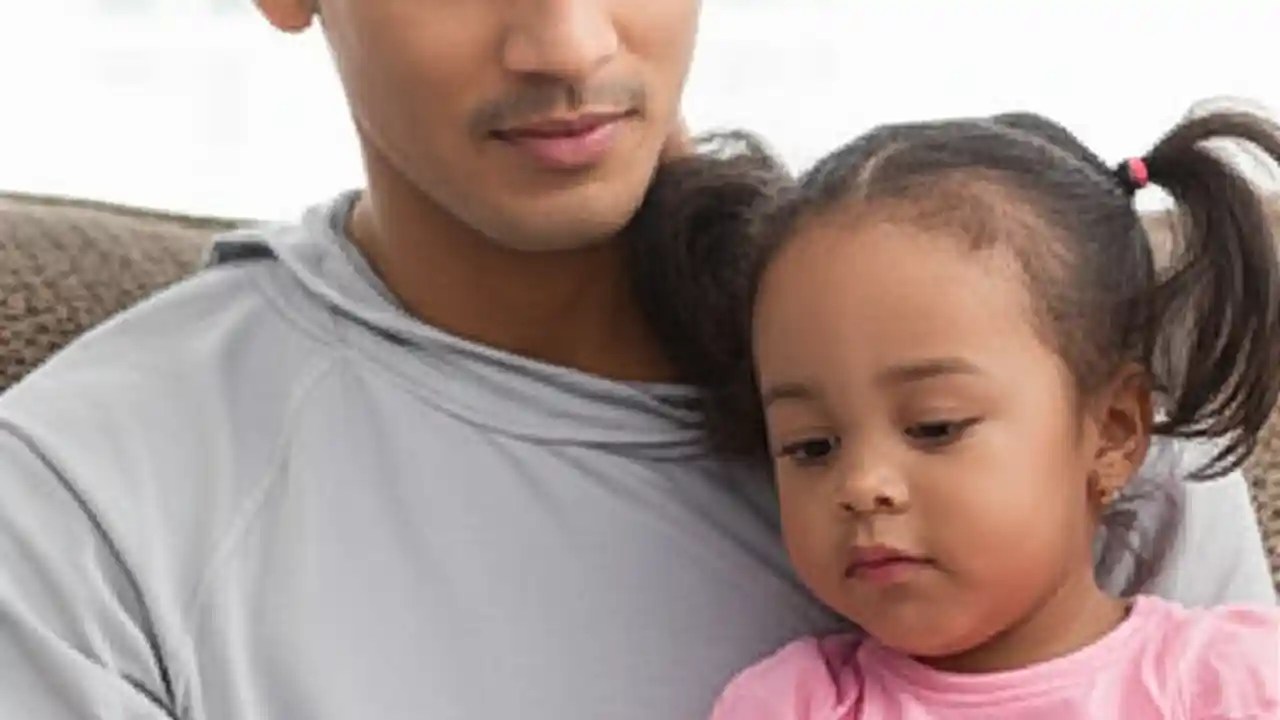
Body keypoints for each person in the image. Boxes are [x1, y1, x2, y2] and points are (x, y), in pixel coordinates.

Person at [0, 1, 1270, 717]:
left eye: (929, 429)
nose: (565, 44)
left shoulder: (1054, 357)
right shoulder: (82, 510)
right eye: (810, 443)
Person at [696, 110, 1280, 718]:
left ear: (1112, 432)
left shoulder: (1232, 685)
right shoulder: (794, 705)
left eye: (934, 428)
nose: (861, 485)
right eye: (811, 445)